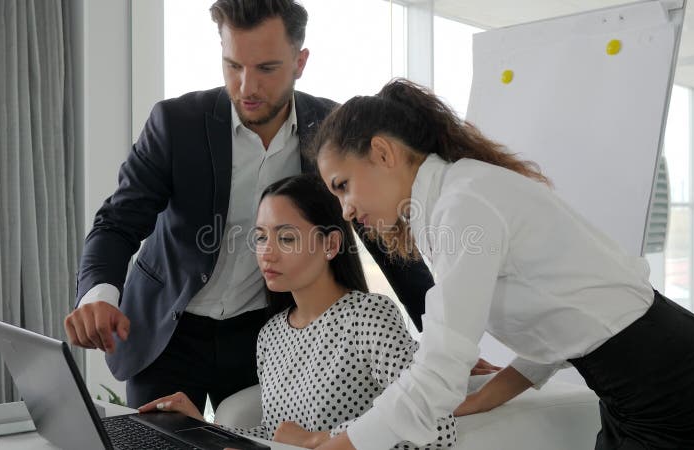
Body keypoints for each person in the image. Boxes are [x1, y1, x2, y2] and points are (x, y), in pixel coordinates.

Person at [306, 78, 694, 450]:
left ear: (383, 153)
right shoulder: (458, 195)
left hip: (678, 392)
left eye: (343, 185)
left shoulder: (463, 204)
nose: (346, 210)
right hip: (649, 385)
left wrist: (342, 445)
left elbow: (441, 367)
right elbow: (564, 309)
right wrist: (492, 393)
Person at [63, 0, 437, 410]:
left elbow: (381, 231)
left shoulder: (331, 129)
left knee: (254, 435)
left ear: (300, 62)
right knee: (158, 437)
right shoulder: (176, 123)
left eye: (266, 68)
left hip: (263, 332)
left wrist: (440, 337)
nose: (246, 87)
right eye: (233, 66)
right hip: (168, 330)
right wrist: (98, 295)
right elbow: (117, 223)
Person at [138, 174, 457, 449]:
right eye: (261, 237)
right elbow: (274, 436)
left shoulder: (368, 316)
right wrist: (201, 427)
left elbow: (437, 427)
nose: (267, 253)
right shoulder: (271, 334)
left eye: (286, 238)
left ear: (331, 244)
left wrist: (318, 440)